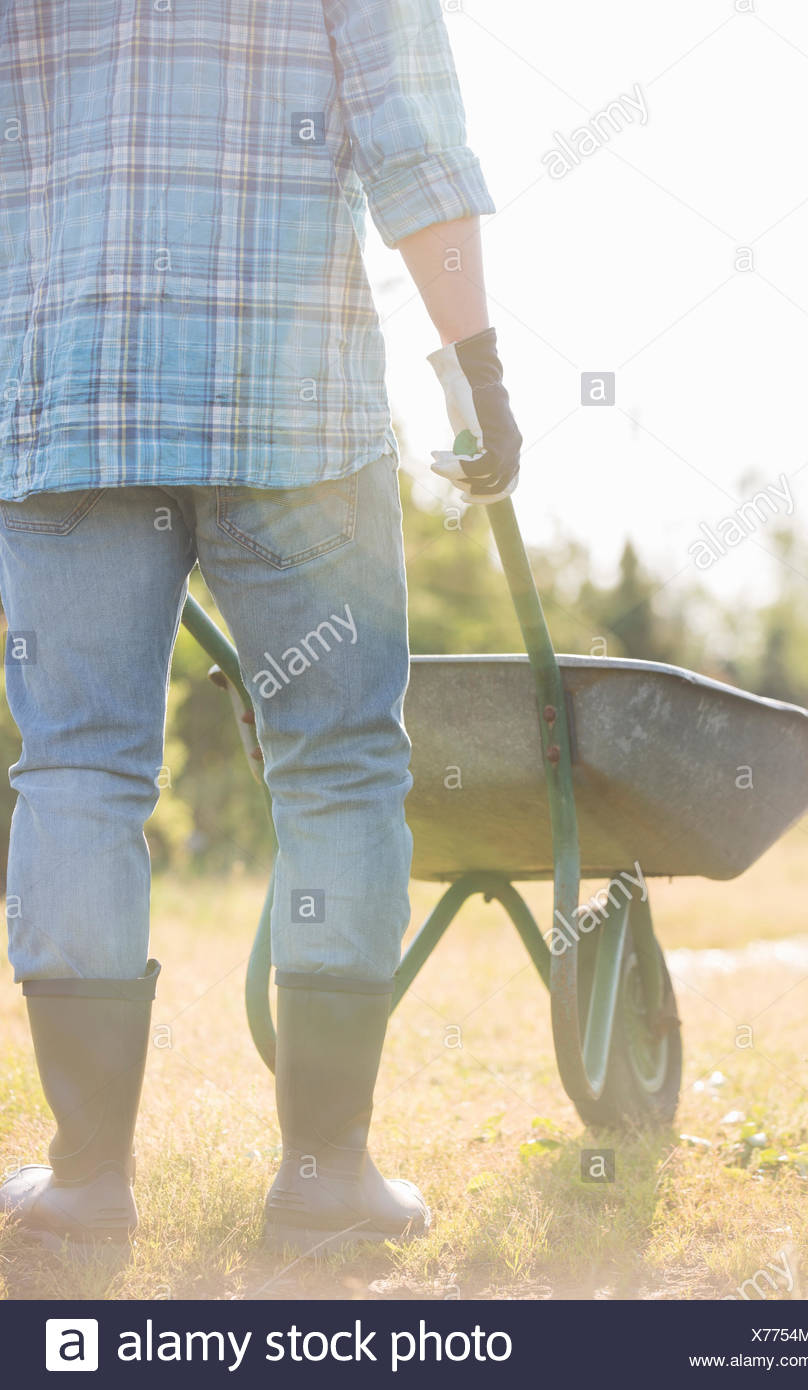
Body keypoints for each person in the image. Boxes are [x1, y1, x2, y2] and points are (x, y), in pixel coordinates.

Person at [0, 0, 521, 1253]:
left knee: (78, 765)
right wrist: (481, 375)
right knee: (338, 762)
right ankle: (326, 1177)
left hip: (70, 395)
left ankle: (82, 1189)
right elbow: (416, 146)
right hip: (291, 409)